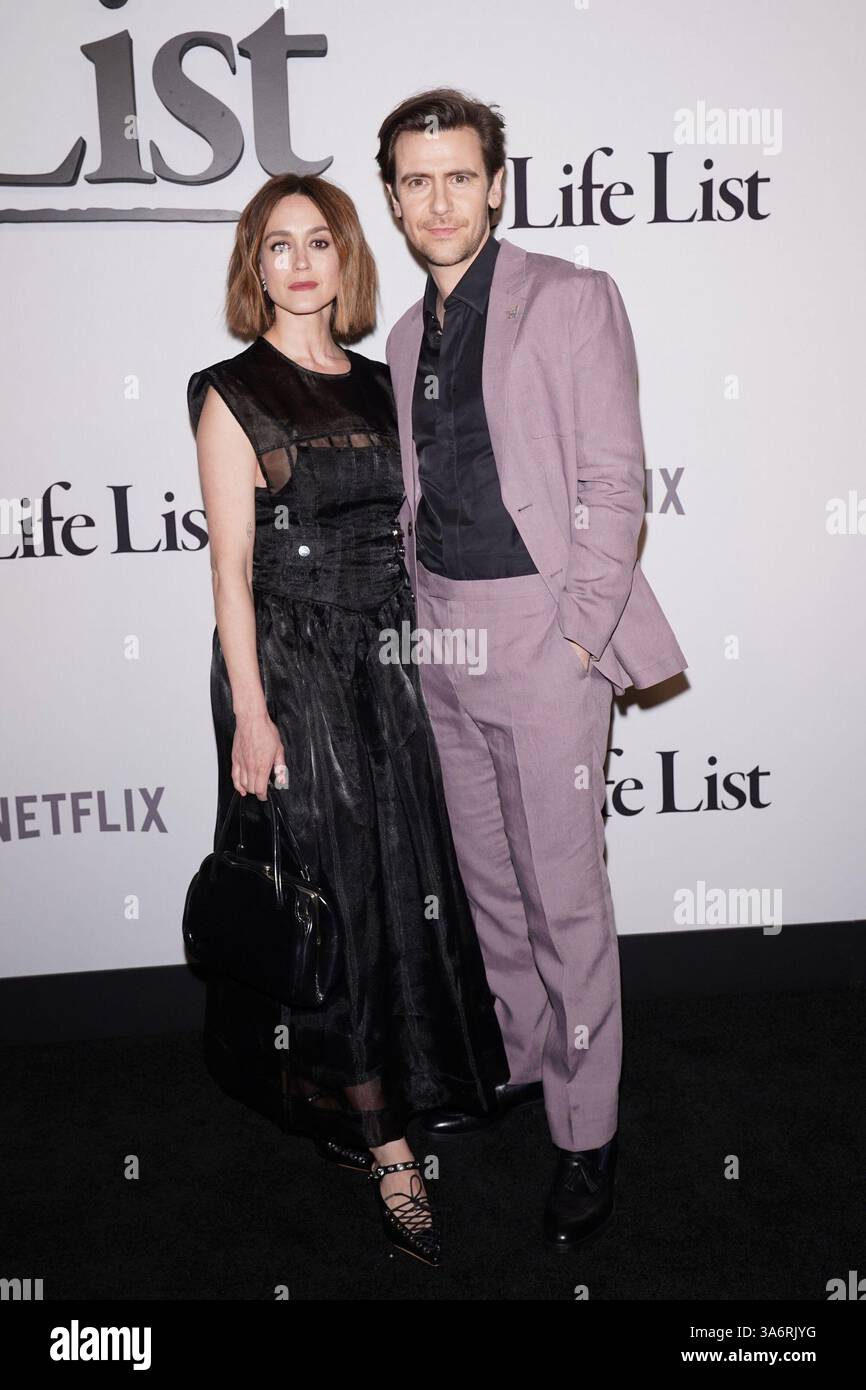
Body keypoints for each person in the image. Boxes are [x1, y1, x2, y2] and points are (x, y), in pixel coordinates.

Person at [376, 89, 688, 1246]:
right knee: (488, 890)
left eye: (459, 175)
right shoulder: (404, 337)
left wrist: (579, 631)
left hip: (540, 632)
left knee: (564, 901)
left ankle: (584, 1130)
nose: (438, 199)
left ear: (495, 184)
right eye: (416, 180)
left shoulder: (569, 298)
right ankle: (513, 1059)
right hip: (441, 635)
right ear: (396, 198)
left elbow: (614, 484)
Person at [186, 172, 509, 1268]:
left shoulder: (382, 385)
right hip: (291, 664)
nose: (300, 262)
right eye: (276, 246)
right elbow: (230, 567)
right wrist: (251, 714)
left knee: (403, 890)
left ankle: (392, 1095)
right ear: (255, 268)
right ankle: (386, 1148)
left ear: (344, 257)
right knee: (338, 903)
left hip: (391, 659)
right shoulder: (232, 391)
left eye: (316, 240)